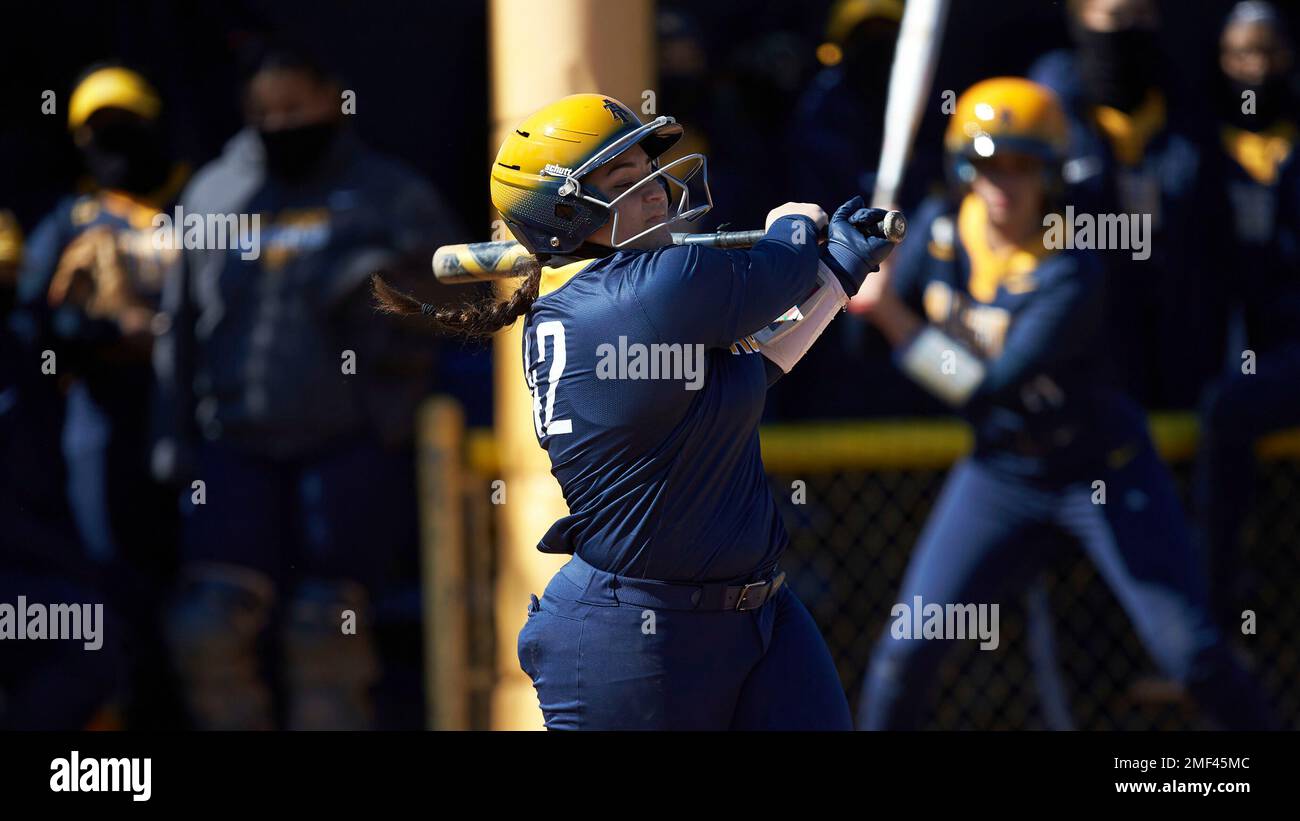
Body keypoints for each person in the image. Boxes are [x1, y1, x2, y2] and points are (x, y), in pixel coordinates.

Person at [375, 92, 896, 729]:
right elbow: (779, 272)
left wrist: (838, 273)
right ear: (561, 212)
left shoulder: (619, 295)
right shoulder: (646, 292)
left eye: (650, 174)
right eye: (626, 182)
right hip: (635, 637)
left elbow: (753, 369)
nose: (655, 192)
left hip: (760, 614)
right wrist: (796, 226)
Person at [852, 78, 1276, 730]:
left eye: (1022, 166)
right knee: (905, 652)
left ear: (1050, 173)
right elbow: (863, 345)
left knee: (1190, 654)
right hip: (1001, 472)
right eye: (987, 164)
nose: (1003, 184)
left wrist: (893, 319)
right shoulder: (939, 228)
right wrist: (859, 273)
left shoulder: (1072, 267)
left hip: (1101, 467)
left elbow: (984, 383)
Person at [153, 46, 461, 730]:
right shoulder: (212, 195)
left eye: (295, 107)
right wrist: (169, 435)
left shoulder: (389, 194)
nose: (280, 122)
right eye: (264, 111)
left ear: (334, 100)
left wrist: (386, 284)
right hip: (232, 446)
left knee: (328, 633)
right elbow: (175, 325)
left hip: (347, 446)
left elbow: (468, 303)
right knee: (208, 627)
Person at [11, 65, 188, 728]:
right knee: (112, 580)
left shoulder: (197, 209)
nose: (114, 143)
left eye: (128, 126)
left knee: (202, 588)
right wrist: (110, 328)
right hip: (101, 432)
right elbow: (35, 322)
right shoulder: (71, 222)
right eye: (99, 130)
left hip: (192, 424)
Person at [1031, 0, 1229, 409]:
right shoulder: (1046, 114)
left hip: (1179, 346)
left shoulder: (1187, 110)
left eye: (1142, 16)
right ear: (1081, 19)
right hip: (1085, 352)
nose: (1130, 31)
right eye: (1117, 18)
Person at [1195, 1, 1300, 629]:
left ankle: (1218, 619)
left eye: (1264, 52)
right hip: (1242, 351)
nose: (1252, 68)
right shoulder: (1203, 148)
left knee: (1228, 411)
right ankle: (1222, 620)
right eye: (1239, 53)